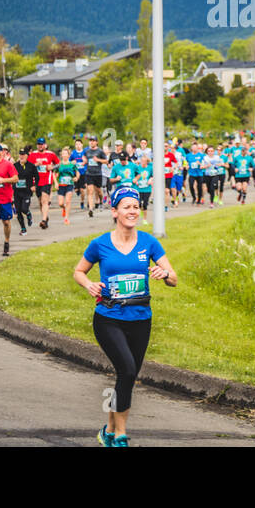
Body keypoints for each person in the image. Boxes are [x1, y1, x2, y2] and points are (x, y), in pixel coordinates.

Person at [73, 186, 177, 447]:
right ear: (115, 212)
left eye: (136, 207)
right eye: (126, 207)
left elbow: (174, 278)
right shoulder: (100, 244)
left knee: (126, 375)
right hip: (108, 318)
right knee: (128, 370)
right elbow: (79, 271)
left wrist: (164, 275)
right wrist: (89, 285)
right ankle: (119, 435)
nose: (132, 211)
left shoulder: (149, 242)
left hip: (141, 319)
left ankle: (108, 428)